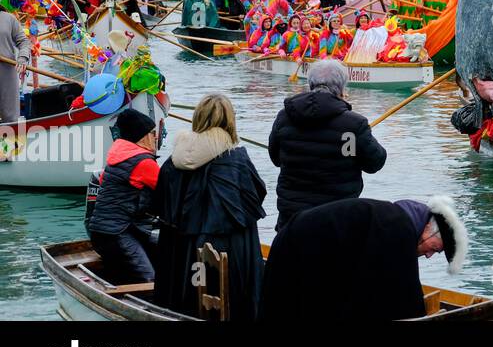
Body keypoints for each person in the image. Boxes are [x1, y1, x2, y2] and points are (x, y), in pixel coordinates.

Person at [259, 195, 465, 322]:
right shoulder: (400, 229)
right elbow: (406, 298)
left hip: (297, 243)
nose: (428, 255)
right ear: (429, 230)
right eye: (435, 249)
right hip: (300, 253)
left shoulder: (397, 218)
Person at [152, 94, 266, 319]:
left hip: (182, 253)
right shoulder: (236, 161)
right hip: (231, 249)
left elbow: (160, 208)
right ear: (230, 123)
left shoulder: (173, 161)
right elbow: (255, 197)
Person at [267, 59, 387, 232]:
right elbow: (374, 163)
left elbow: (276, 158)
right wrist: (358, 139)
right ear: (342, 88)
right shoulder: (352, 125)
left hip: (292, 220)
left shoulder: (285, 117)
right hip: (337, 221)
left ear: (310, 84)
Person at [86, 109, 161, 284]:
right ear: (141, 136)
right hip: (116, 234)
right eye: (152, 133)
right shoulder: (144, 163)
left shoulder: (116, 157)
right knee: (150, 280)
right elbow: (170, 191)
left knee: (164, 249)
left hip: (101, 233)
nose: (155, 137)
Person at [0, 5, 31, 127]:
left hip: (6, 73)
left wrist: (22, 58)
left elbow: (24, 42)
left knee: (11, 118)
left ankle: (12, 144)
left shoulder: (9, 18)